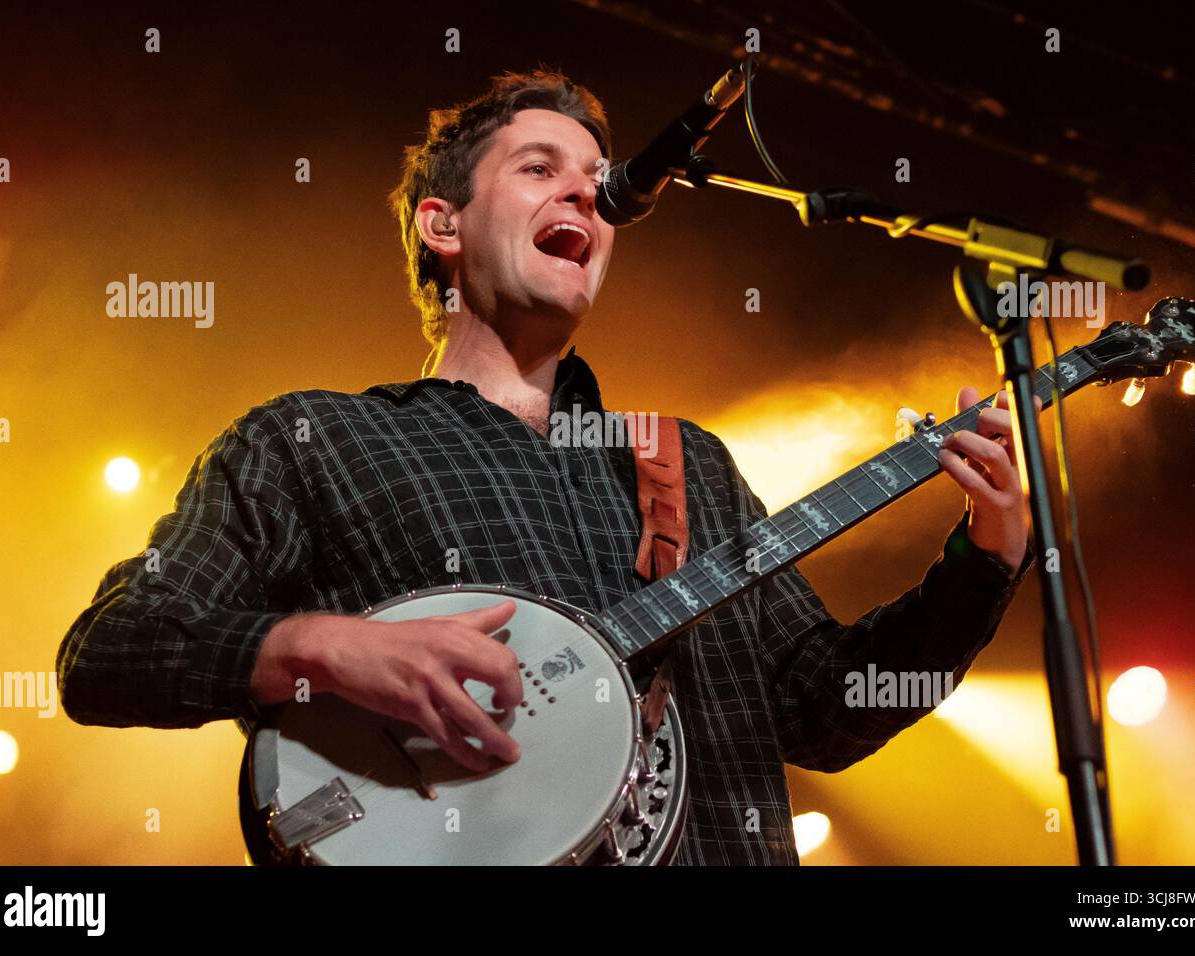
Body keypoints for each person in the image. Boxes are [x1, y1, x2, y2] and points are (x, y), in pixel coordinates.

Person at [58, 69, 1033, 865]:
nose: (587, 193)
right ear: (443, 227)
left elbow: (825, 709)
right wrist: (318, 649)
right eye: (539, 167)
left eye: (601, 179)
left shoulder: (684, 462)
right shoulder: (306, 442)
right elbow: (108, 652)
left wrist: (983, 560)